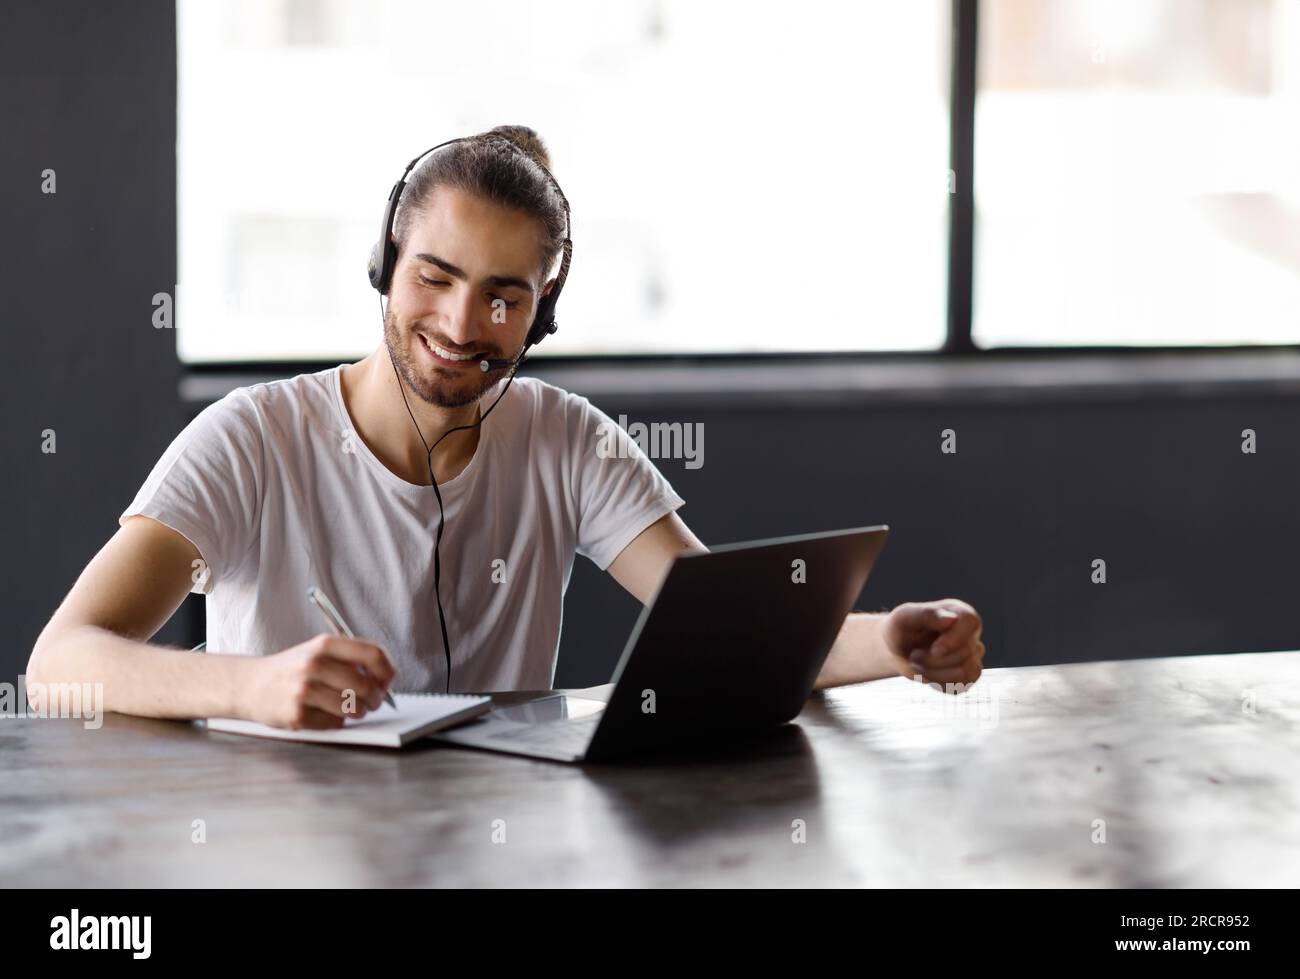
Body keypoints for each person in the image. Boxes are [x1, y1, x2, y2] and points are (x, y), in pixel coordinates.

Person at [27, 125, 984, 731]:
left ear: (544, 312)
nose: (458, 325)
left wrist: (894, 641)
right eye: (434, 278)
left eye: (503, 297)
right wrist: (251, 686)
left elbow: (741, 634)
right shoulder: (252, 438)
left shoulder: (567, 439)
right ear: (386, 265)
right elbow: (58, 664)